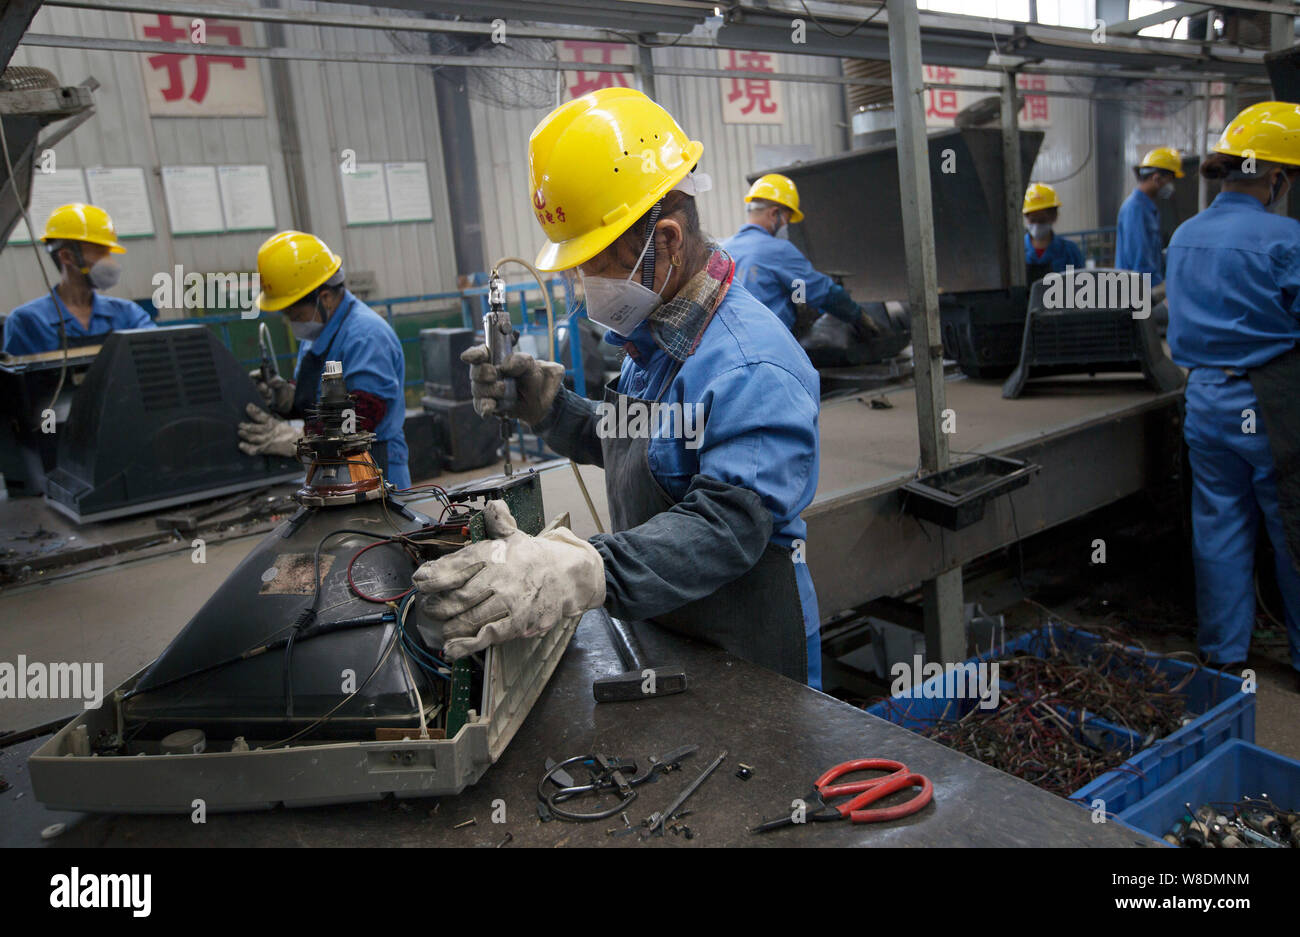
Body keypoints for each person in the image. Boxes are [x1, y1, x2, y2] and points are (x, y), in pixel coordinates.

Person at [413, 88, 825, 687]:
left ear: (667, 243)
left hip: (751, 656)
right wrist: (550, 408)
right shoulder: (657, 335)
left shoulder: (748, 365)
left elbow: (726, 526)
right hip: (667, 625)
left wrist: (581, 568)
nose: (584, 286)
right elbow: (638, 443)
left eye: (595, 263)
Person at [1165, 102, 1300, 688]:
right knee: (1291, 527)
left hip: (1205, 402)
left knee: (1219, 523)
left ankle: (1223, 656)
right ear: (1274, 176)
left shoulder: (1184, 236)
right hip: (1265, 405)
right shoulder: (1286, 238)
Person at [237, 230, 411, 489]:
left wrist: (298, 437)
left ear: (325, 297)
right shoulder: (319, 329)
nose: (291, 321)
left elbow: (363, 415)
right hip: (332, 467)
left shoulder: (366, 336)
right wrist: (286, 397)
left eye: (294, 313)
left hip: (372, 466)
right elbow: (321, 397)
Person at [721, 173, 885, 339]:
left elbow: (796, 292)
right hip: (768, 345)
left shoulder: (723, 249)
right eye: (787, 218)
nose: (787, 225)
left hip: (730, 344)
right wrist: (859, 316)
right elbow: (822, 292)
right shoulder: (779, 250)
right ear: (774, 213)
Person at [3, 203, 153, 355]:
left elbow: (157, 357)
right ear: (67, 256)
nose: (109, 262)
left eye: (108, 253)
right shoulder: (28, 322)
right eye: (100, 253)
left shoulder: (128, 314)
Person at [1116, 146, 1183, 299]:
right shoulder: (1135, 209)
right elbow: (1140, 259)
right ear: (1157, 178)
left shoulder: (1148, 208)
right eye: (1170, 180)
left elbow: (1152, 254)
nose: (1171, 187)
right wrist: (1156, 290)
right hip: (1137, 294)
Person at [1022, 182, 1086, 274]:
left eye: (1042, 220)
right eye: (1033, 220)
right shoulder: (1017, 254)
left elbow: (1078, 285)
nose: (1037, 225)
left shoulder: (1069, 253)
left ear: (1054, 216)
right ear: (1026, 218)